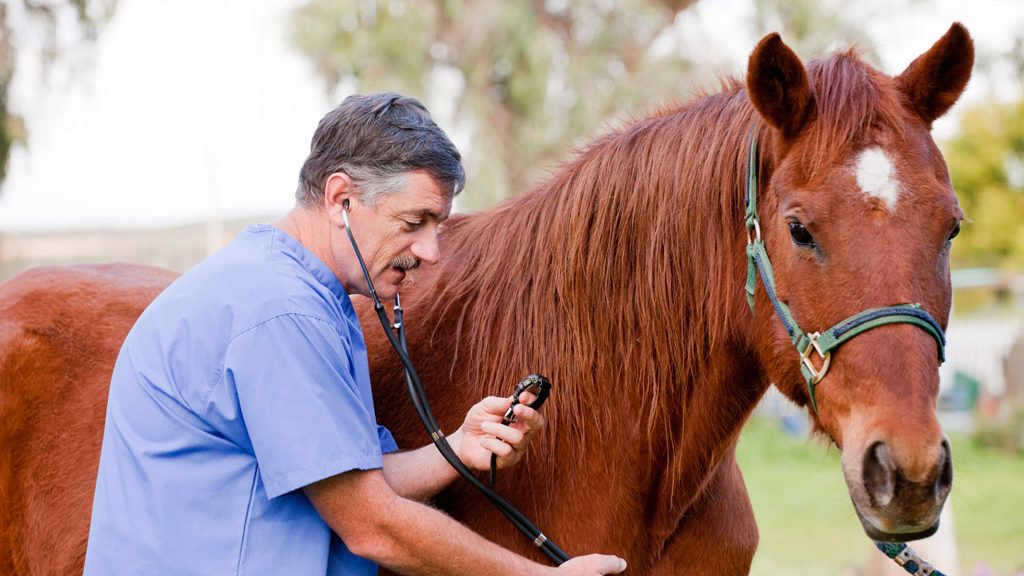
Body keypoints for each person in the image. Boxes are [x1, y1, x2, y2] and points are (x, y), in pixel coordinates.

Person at [84, 92, 627, 576]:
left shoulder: (299, 291)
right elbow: (372, 524)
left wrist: (460, 447)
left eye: (437, 226)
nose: (431, 252)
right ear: (341, 198)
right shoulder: (281, 311)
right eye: (414, 223)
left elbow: (353, 476)